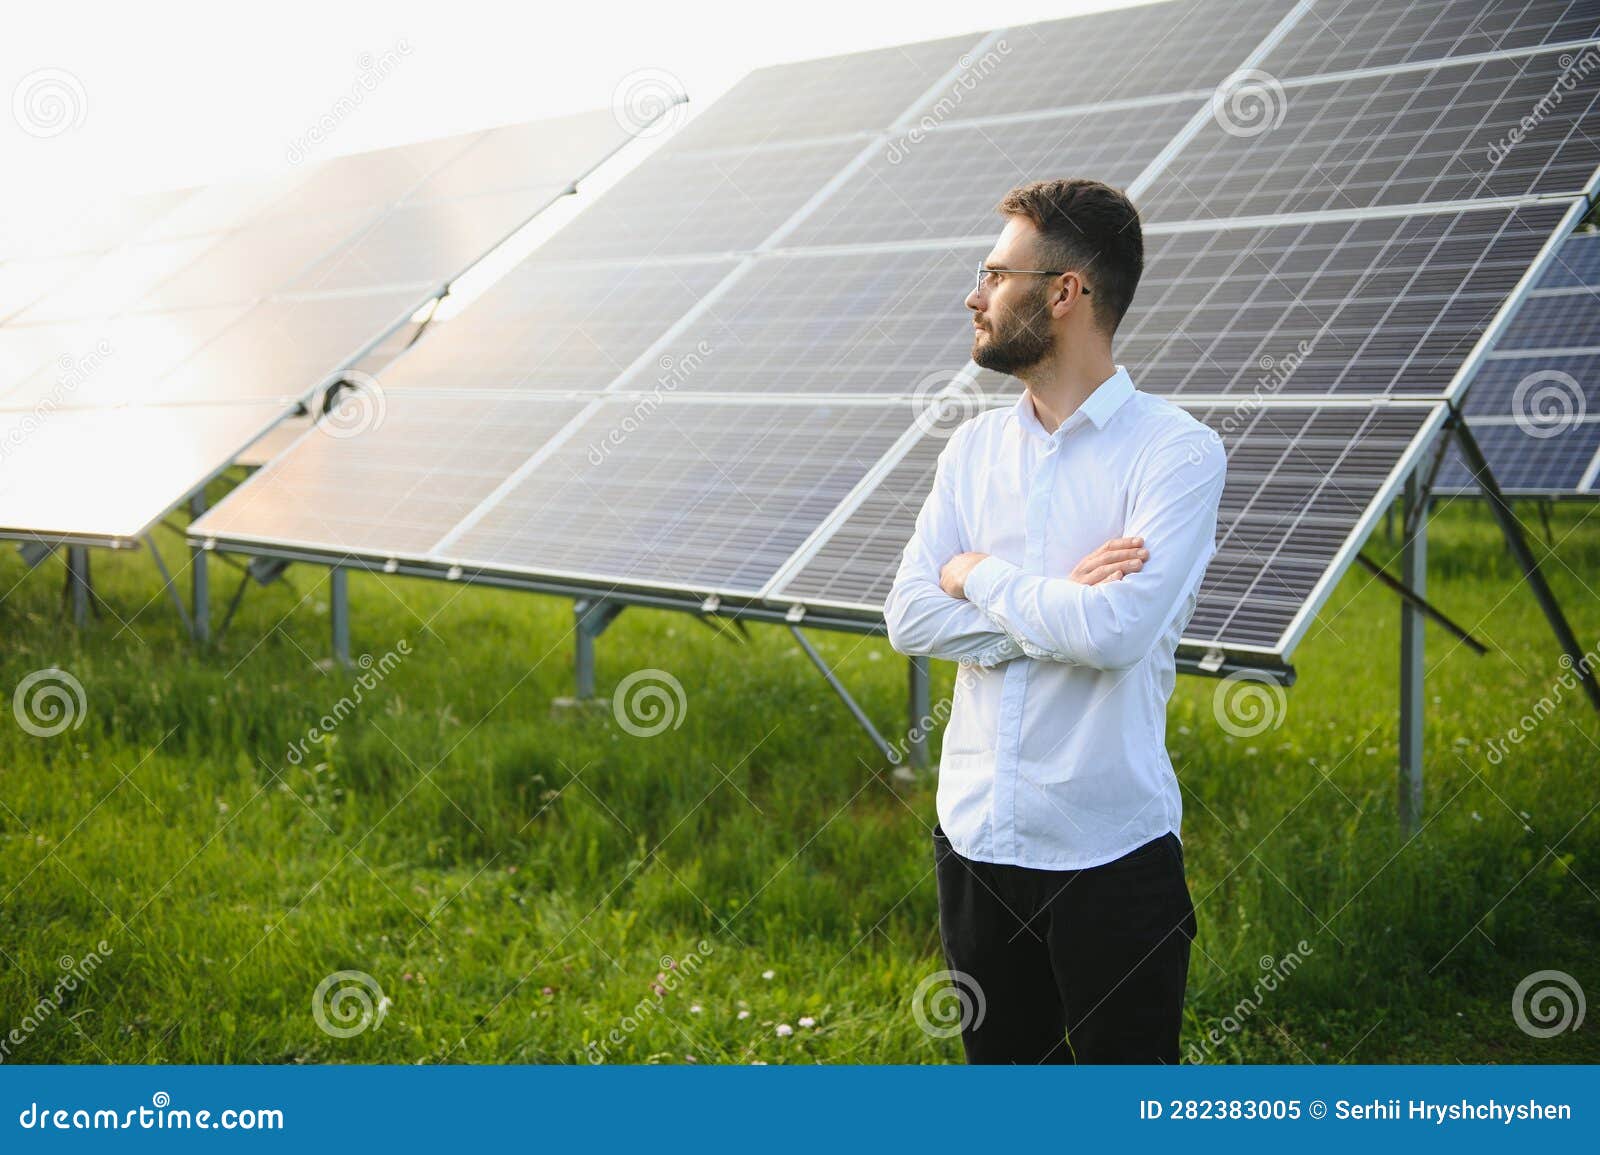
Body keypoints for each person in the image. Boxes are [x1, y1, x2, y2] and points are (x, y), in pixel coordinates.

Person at [884, 177, 1227, 1064]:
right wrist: (1056, 600)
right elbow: (909, 616)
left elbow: (1115, 635)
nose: (974, 294)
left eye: (997, 273)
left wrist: (979, 573)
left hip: (1109, 855)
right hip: (976, 842)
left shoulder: (1176, 451)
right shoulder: (971, 450)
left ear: (1065, 292)